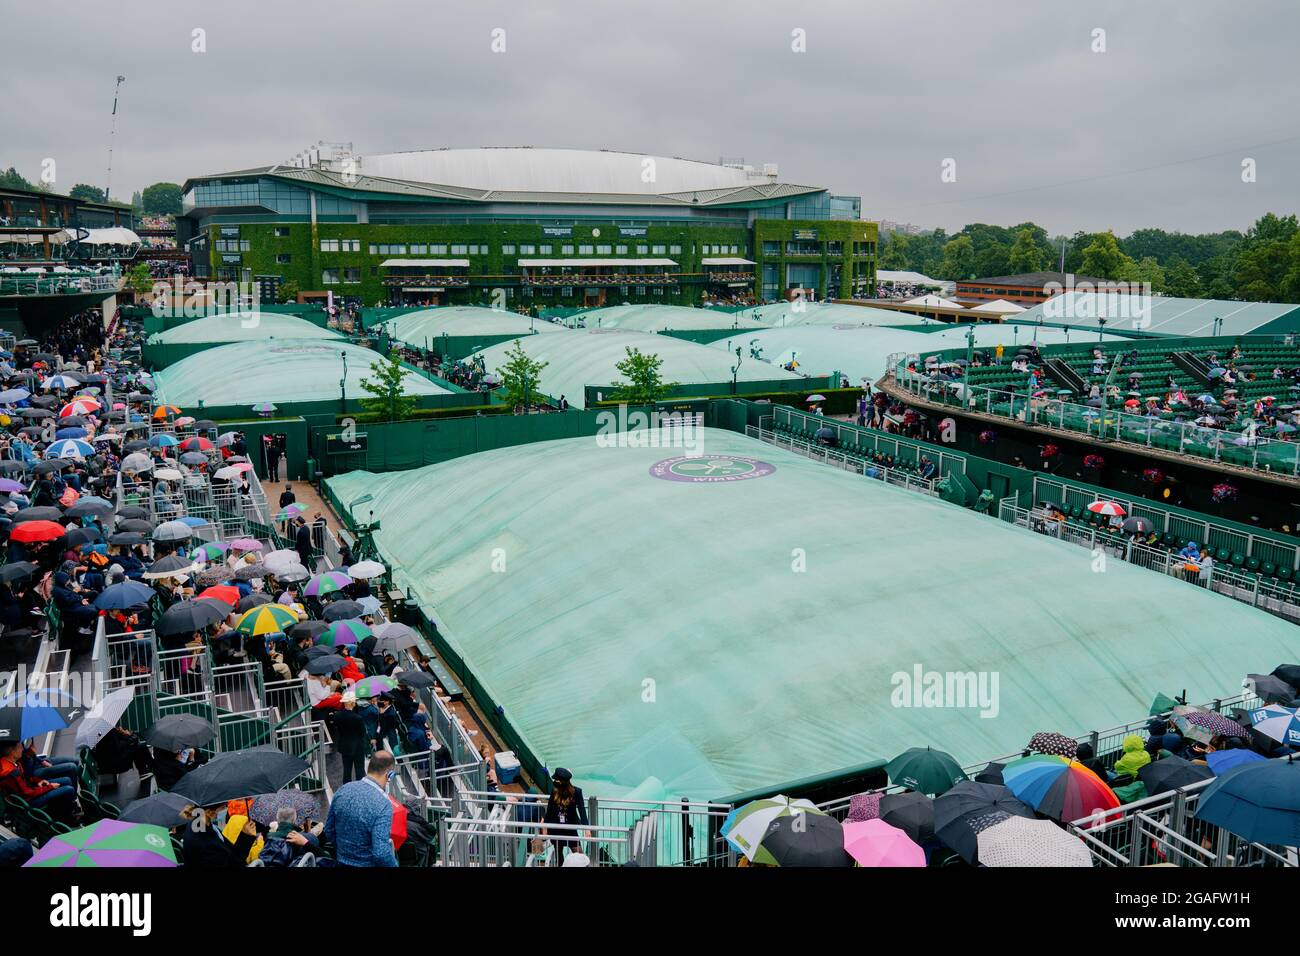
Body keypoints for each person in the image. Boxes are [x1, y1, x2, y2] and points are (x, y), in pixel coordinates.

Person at [323, 751, 399, 867]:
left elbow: (329, 830)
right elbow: (381, 853)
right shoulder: (383, 804)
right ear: (389, 774)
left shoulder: (343, 790)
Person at [182, 805, 257, 867]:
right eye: (223, 807)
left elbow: (227, 850)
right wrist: (246, 837)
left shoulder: (200, 825)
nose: (225, 809)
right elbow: (231, 864)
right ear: (208, 812)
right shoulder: (202, 841)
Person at [542, 766, 588, 863]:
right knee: (558, 854)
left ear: (562, 782)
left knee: (579, 854)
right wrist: (545, 827)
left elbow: (582, 810)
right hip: (555, 828)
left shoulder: (577, 792)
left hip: (570, 828)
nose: (554, 781)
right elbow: (549, 810)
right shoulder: (554, 791)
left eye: (556, 780)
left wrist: (587, 829)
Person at [333, 691, 368, 784]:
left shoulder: (337, 715)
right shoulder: (357, 718)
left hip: (345, 746)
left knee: (347, 770)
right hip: (357, 747)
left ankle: (346, 789)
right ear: (353, 703)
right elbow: (362, 733)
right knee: (359, 771)